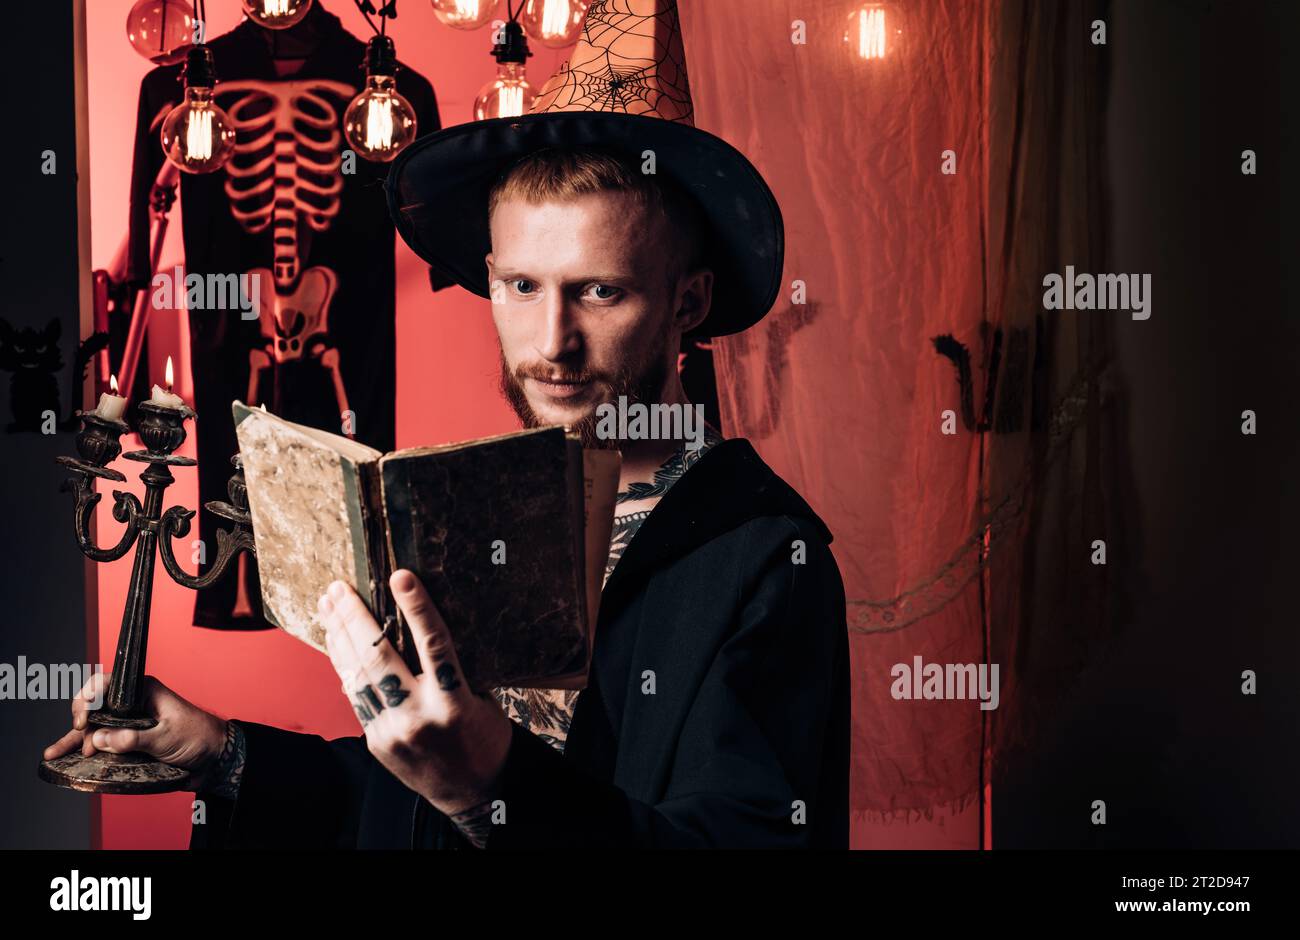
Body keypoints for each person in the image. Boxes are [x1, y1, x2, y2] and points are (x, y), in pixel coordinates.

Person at [45, 0, 850, 849]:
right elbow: (403, 805)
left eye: (601, 291)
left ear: (690, 301)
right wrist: (225, 753)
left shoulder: (765, 562)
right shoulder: (487, 510)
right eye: (523, 287)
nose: (552, 345)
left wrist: (490, 788)